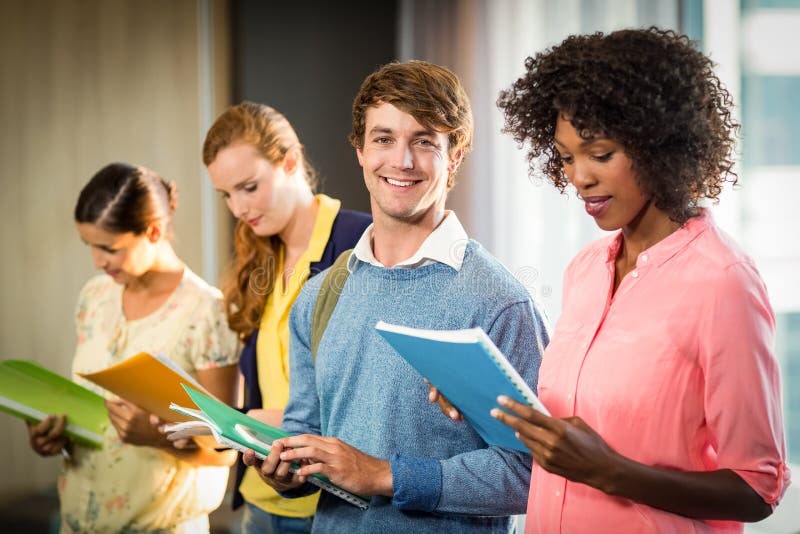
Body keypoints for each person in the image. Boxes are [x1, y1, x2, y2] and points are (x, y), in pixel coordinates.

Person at [488, 27, 789, 532]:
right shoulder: (584, 269)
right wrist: (483, 403)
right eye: (565, 157)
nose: (579, 177)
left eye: (599, 154)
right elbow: (571, 429)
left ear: (659, 147)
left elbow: (757, 490)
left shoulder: (723, 282)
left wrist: (611, 473)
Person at [242, 60, 550, 533]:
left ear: (456, 156)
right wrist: (284, 470)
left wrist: (385, 475)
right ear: (361, 152)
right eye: (383, 139)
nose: (401, 161)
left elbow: (531, 474)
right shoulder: (322, 294)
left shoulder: (499, 302)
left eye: (424, 141)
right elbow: (305, 433)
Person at [27, 162, 240, 533]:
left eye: (109, 248)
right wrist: (55, 437)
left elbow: (227, 450)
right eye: (90, 246)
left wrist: (158, 438)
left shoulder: (208, 312)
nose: (97, 261)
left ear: (154, 231)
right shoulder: (93, 297)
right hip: (78, 521)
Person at [202, 101, 371, 534]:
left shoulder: (361, 242)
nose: (238, 208)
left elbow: (378, 389)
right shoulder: (259, 258)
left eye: (249, 187)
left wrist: (278, 421)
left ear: (291, 161)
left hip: (332, 506)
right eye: (226, 195)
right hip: (261, 499)